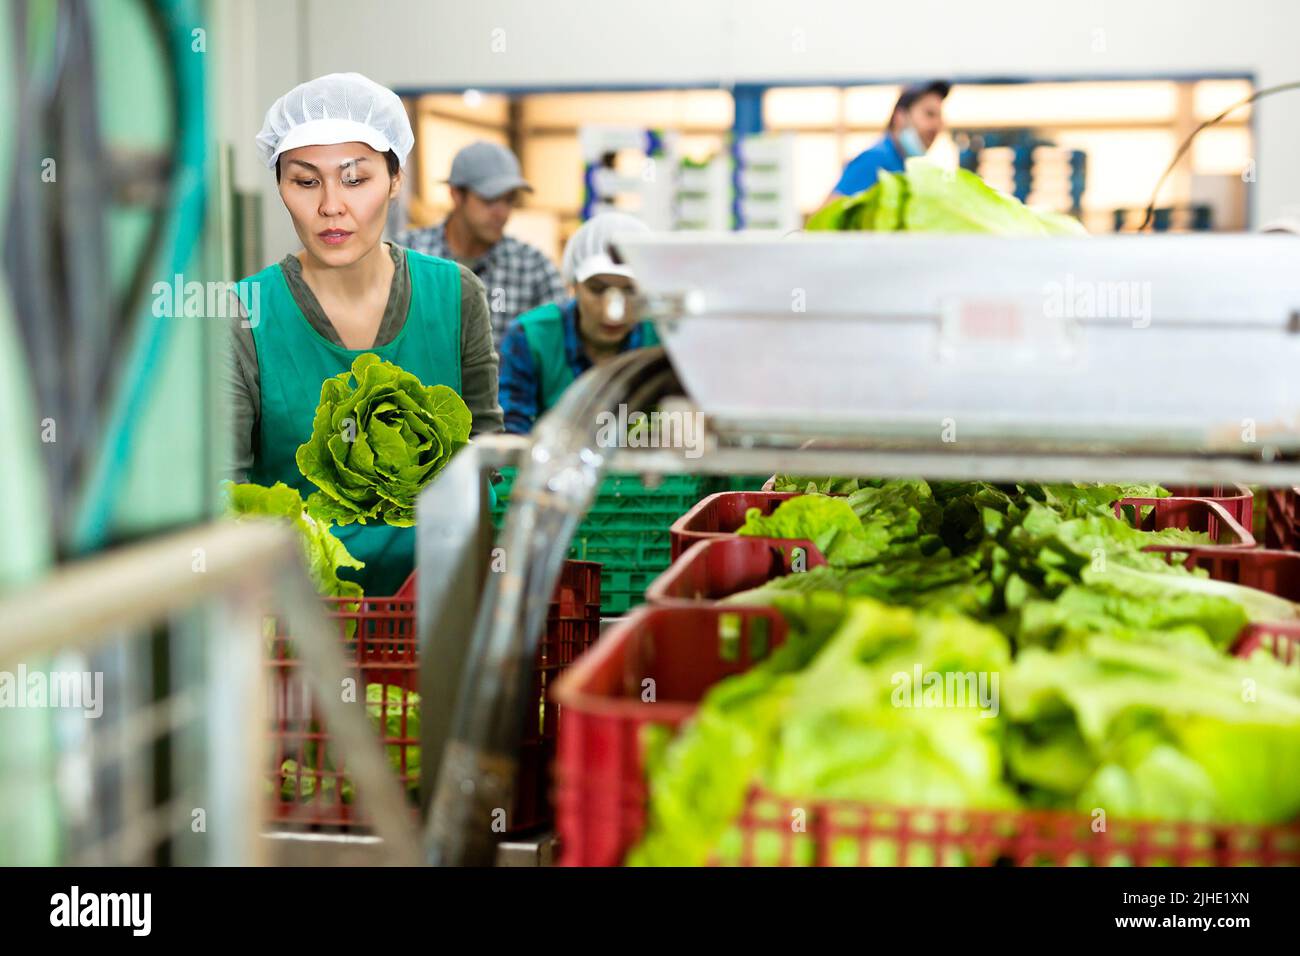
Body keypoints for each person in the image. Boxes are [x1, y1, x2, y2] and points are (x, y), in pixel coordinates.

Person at [225, 72, 502, 595]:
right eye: (306, 182)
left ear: (396, 180)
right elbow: (228, 491)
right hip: (299, 623)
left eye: (355, 179)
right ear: (281, 185)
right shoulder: (244, 312)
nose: (331, 205)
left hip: (438, 612)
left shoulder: (456, 295)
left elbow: (485, 458)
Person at [498, 212, 658, 434]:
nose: (612, 310)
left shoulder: (664, 338)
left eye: (629, 291)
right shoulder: (531, 337)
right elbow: (513, 436)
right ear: (573, 284)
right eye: (597, 289)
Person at [399, 141, 565, 353]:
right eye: (490, 199)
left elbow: (559, 351)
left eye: (509, 200)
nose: (502, 212)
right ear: (456, 194)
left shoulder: (534, 268)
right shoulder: (407, 256)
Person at [822, 80, 950, 203]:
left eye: (940, 117)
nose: (937, 125)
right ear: (900, 118)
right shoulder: (876, 160)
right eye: (929, 114)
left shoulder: (905, 166)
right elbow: (825, 217)